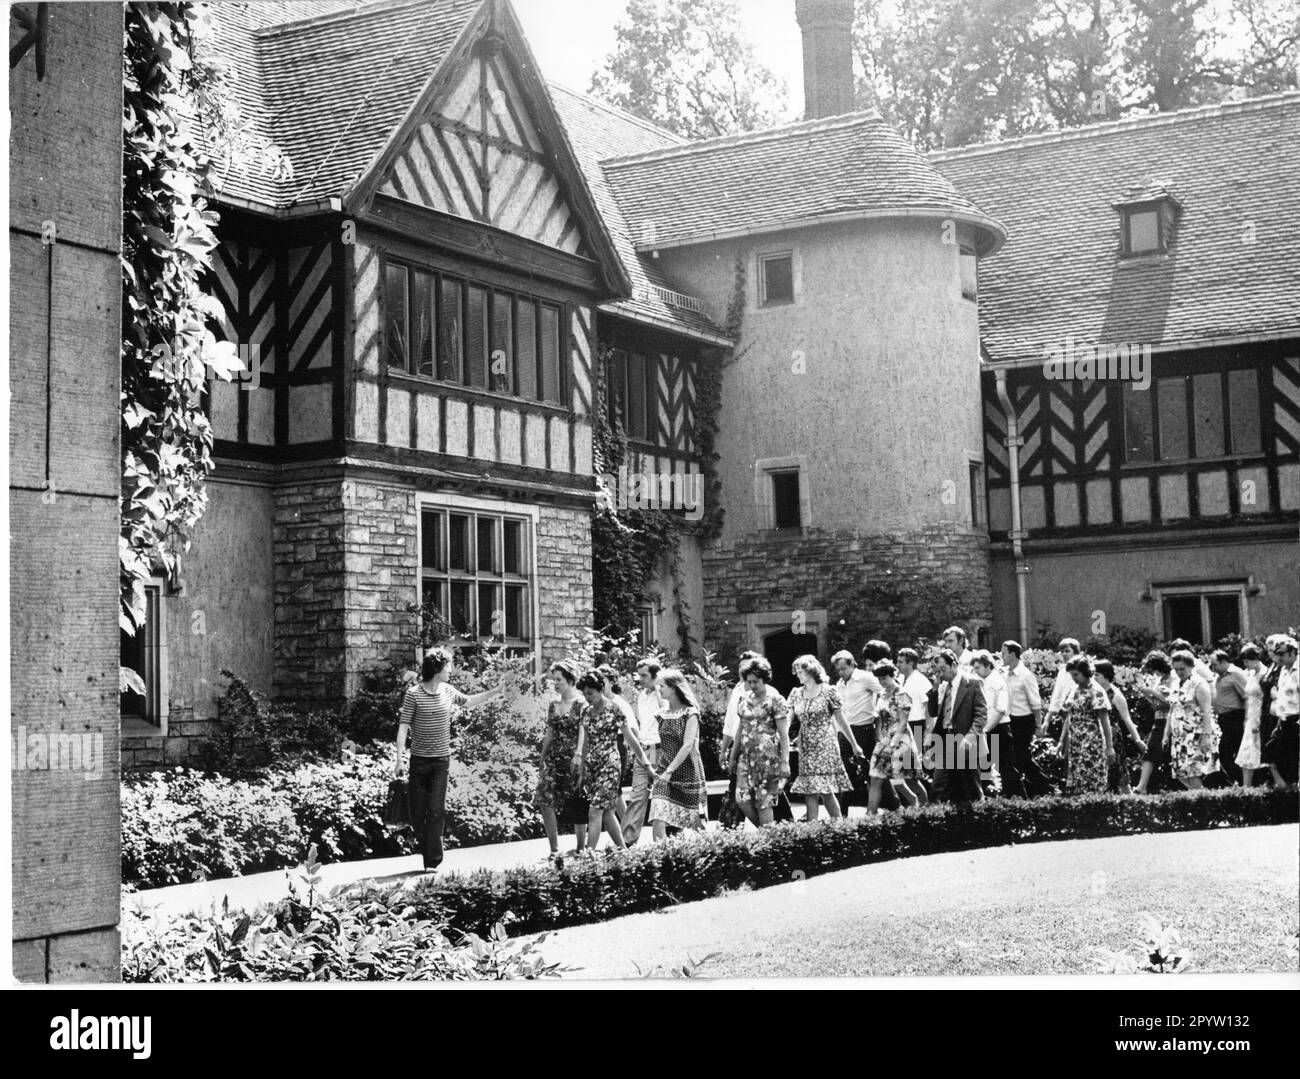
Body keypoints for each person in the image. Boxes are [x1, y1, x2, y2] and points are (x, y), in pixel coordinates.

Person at [394, 647, 502, 873]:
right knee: (417, 813)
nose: (451, 670)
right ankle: (427, 849)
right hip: (419, 761)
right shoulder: (414, 693)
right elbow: (403, 727)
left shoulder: (448, 691)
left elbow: (469, 701)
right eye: (448, 666)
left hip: (441, 761)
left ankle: (431, 861)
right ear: (437, 668)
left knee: (436, 810)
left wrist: (495, 691)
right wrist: (399, 760)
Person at [788, 654, 862, 820]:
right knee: (809, 789)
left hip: (825, 743)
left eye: (801, 671)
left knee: (825, 789)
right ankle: (812, 832)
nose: (798, 674)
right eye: (797, 671)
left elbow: (841, 721)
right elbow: (787, 719)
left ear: (812, 671)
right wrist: (782, 738)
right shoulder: (796, 693)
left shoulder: (829, 691)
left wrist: (854, 745)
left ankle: (840, 827)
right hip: (806, 744)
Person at [574, 670, 635, 850]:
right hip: (592, 766)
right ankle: (624, 852)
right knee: (607, 812)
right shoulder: (585, 711)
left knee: (595, 811)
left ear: (600, 689)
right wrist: (581, 770)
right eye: (584, 693)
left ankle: (588, 857)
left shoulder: (614, 709)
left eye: (590, 693)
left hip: (610, 765)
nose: (587, 697)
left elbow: (630, 738)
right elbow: (585, 744)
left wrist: (646, 764)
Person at [728, 656, 791, 828]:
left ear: (765, 679)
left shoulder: (775, 700)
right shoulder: (744, 700)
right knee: (741, 798)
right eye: (749, 682)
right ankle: (771, 834)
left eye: (756, 681)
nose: (752, 685)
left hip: (767, 759)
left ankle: (768, 839)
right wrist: (732, 757)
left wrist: (785, 762)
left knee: (764, 801)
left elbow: (784, 735)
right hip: (746, 757)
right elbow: (739, 730)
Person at [533, 660, 588, 856]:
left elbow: (584, 730)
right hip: (555, 757)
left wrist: (579, 754)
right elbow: (550, 732)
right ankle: (554, 849)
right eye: (553, 680)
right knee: (544, 798)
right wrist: (542, 756)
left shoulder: (581, 703)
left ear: (571, 680)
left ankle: (581, 847)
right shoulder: (553, 704)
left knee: (576, 800)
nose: (555, 684)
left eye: (559, 680)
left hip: (574, 757)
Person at [650, 668, 708, 838]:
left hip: (687, 770)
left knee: (695, 820)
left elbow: (687, 745)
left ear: (674, 687)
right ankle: (659, 857)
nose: (658, 689)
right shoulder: (661, 714)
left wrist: (670, 771)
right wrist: (654, 768)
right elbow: (656, 743)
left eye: (661, 686)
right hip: (664, 770)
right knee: (658, 814)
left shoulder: (690, 713)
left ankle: (709, 851)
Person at [831, 646, 888, 813]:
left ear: (852, 665)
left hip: (865, 730)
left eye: (844, 668)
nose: (841, 672)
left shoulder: (866, 678)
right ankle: (843, 814)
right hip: (845, 733)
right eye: (838, 669)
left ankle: (885, 806)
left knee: (871, 771)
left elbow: (885, 691)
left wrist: (878, 714)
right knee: (846, 773)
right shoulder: (839, 684)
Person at [868, 662, 928, 813]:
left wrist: (893, 744)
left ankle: (927, 810)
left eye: (884, 678)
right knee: (875, 778)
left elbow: (903, 722)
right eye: (879, 679)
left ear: (893, 675)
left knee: (910, 779)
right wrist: (880, 740)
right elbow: (879, 719)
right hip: (884, 739)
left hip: (901, 740)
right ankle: (870, 815)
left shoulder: (902, 694)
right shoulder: (881, 695)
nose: (882, 682)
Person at [930, 649, 986, 804]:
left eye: (943, 669)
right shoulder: (942, 686)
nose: (941, 674)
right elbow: (933, 712)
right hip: (945, 741)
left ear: (954, 664)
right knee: (938, 786)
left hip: (965, 740)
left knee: (970, 789)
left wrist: (971, 736)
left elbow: (981, 714)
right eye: (938, 671)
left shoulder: (973, 683)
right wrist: (934, 690)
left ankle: (981, 821)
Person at [1057, 656, 1114, 795]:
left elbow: (1105, 720)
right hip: (1075, 740)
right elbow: (1069, 716)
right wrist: (1061, 741)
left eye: (1076, 675)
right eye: (1072, 675)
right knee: (1077, 778)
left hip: (1092, 740)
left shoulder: (1096, 690)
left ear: (1085, 672)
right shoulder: (1074, 690)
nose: (1074, 678)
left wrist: (1109, 747)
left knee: (1092, 776)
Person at [1000, 639, 1050, 798]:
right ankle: (1031, 789)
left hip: (1024, 721)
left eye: (1004, 653)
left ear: (1013, 655)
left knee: (1022, 757)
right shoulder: (1005, 674)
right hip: (1011, 720)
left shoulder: (1025, 675)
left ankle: (1045, 787)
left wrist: (1038, 725)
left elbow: (1036, 703)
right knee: (1015, 757)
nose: (1001, 657)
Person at [621, 659, 664, 845]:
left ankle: (664, 841)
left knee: (662, 796)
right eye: (639, 675)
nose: (640, 679)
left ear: (656, 676)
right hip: (643, 748)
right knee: (637, 795)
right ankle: (627, 841)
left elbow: (667, 714)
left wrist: (660, 688)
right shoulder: (641, 696)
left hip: (660, 748)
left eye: (644, 675)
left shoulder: (664, 694)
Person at [1168, 649, 1219, 790]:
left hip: (1196, 734)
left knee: (1192, 772)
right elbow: (1172, 708)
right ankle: (1201, 797)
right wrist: (1167, 732)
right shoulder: (1175, 684)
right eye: (1176, 669)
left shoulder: (1199, 684)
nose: (1179, 672)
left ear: (1191, 666)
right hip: (1179, 736)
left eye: (1182, 668)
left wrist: (1206, 736)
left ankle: (1201, 802)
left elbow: (1207, 711)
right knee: (1180, 772)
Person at [1094, 659, 1144, 794]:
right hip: (1097, 736)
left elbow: (1127, 720)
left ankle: (1132, 803)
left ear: (1105, 675)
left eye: (1096, 675)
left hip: (1113, 738)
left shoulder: (1116, 696)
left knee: (1120, 775)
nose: (1093, 678)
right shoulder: (1095, 692)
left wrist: (1138, 740)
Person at [1135, 650, 1177, 795]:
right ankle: (1142, 786)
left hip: (1171, 720)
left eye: (1155, 670)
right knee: (1150, 751)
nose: (1154, 673)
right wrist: (1147, 694)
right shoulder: (1159, 681)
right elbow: (1156, 705)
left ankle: (1172, 785)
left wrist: (1153, 693)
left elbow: (1171, 702)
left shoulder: (1173, 679)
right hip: (1159, 719)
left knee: (1171, 753)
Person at [1209, 649, 1249, 785]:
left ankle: (1245, 782)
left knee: (1228, 752)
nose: (1212, 668)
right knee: (1227, 753)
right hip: (1224, 719)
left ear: (1223, 661)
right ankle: (1241, 782)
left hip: (1235, 717)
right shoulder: (1219, 676)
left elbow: (1247, 696)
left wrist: (1247, 719)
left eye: (1214, 664)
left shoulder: (1235, 674)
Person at [1264, 636, 1299, 788]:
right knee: (1271, 751)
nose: (1279, 657)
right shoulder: (1283, 670)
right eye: (1277, 653)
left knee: (1293, 759)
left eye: (1282, 653)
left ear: (1293, 653)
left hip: (1296, 720)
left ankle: (1291, 790)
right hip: (1283, 719)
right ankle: (1284, 787)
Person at [971, 650, 1008, 794]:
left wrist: (985, 729)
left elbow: (1000, 710)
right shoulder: (983, 681)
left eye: (978, 668)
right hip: (986, 729)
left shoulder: (997, 680)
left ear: (987, 665)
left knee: (1004, 766)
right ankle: (988, 794)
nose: (976, 672)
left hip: (998, 728)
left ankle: (1016, 797)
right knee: (985, 764)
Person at [897, 648, 933, 774]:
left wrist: (928, 731)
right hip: (904, 725)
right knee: (907, 763)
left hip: (918, 725)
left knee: (918, 762)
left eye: (901, 662)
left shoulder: (921, 681)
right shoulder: (900, 679)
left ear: (910, 663)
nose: (898, 665)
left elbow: (929, 707)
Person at [1235, 644, 1266, 787]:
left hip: (1259, 718)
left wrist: (1258, 721)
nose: (1245, 664)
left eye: (1247, 661)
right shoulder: (1252, 675)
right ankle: (1246, 786)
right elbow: (1248, 699)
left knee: (1256, 752)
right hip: (1250, 718)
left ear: (1254, 659)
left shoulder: (1265, 674)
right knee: (1246, 753)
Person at [1044, 637, 1082, 729]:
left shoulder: (1083, 670)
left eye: (1067, 651)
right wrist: (1047, 720)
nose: (1064, 654)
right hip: (1065, 715)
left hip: (1080, 715)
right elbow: (1056, 695)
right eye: (1062, 651)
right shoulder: (1062, 671)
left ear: (1075, 652)